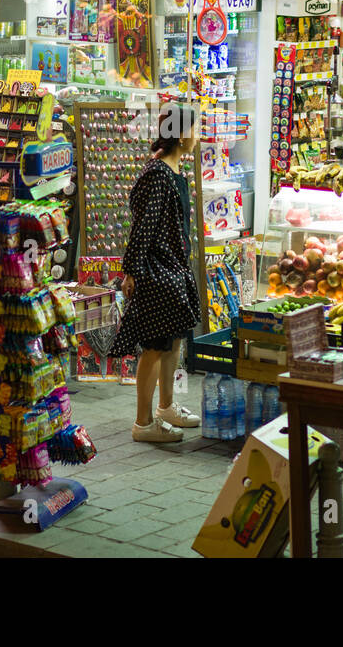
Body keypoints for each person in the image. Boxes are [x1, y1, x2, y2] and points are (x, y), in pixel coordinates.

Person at [108, 103, 203, 443]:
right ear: (181, 134)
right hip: (157, 269)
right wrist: (132, 271)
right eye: (194, 128)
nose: (197, 135)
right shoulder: (157, 174)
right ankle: (144, 423)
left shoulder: (175, 172)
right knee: (155, 346)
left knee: (174, 340)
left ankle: (166, 407)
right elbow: (142, 227)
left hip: (173, 267)